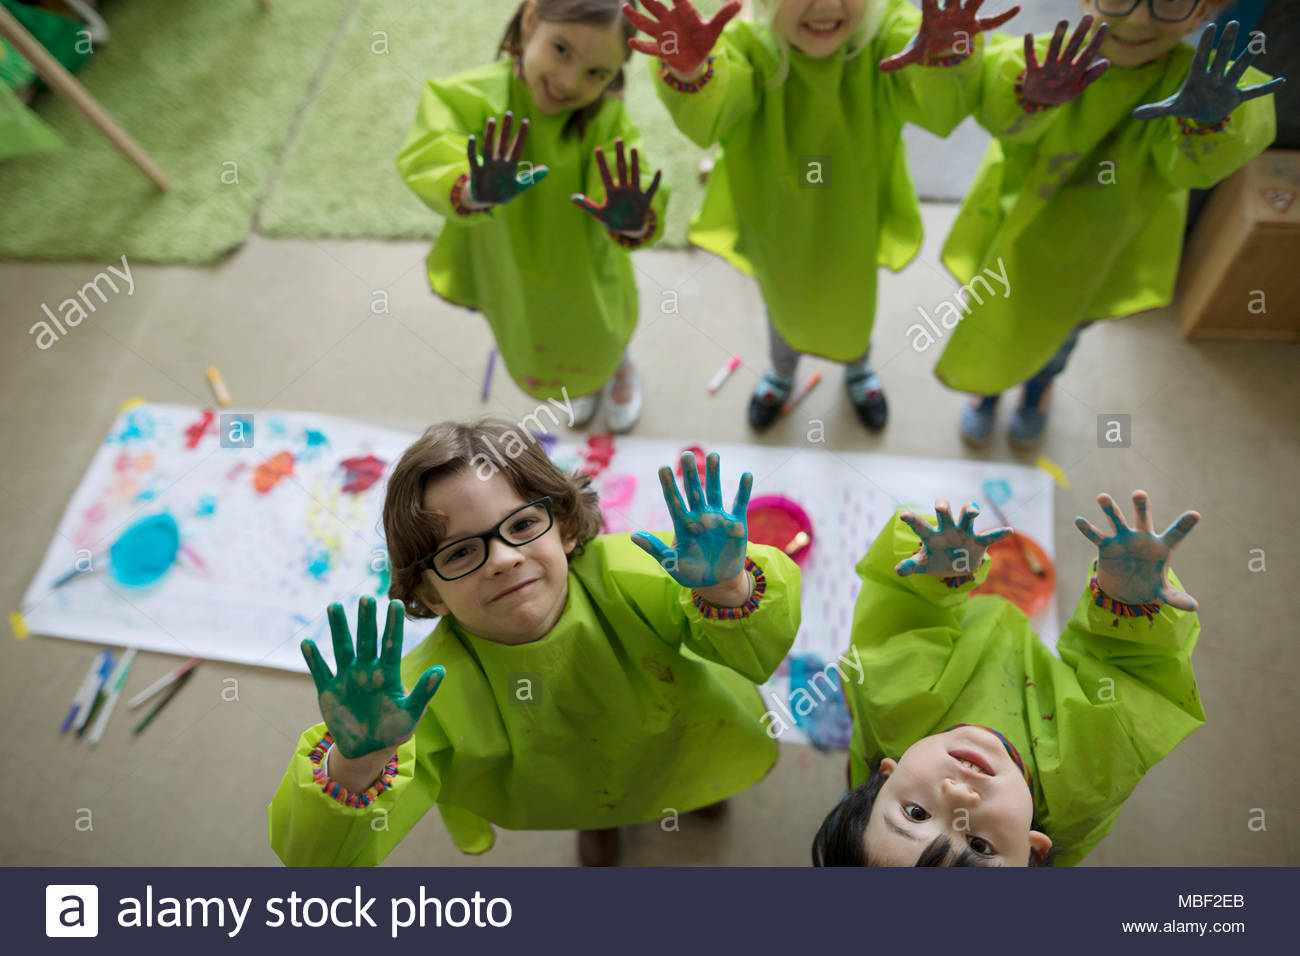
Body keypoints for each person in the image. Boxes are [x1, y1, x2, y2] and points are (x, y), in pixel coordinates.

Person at [268, 421, 800, 866]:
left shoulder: (633, 568)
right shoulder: (417, 695)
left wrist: (726, 589)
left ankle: (697, 793)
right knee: (598, 803)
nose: (503, 558)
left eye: (521, 524)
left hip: (683, 734)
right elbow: (319, 862)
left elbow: (754, 649)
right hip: (567, 786)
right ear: (429, 594)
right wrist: (357, 764)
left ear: (566, 528)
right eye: (458, 555)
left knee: (702, 774)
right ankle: (605, 821)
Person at [628, 0, 1019, 432]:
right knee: (783, 308)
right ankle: (781, 374)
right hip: (776, 222)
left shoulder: (884, 32)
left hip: (853, 218)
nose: (828, 5)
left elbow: (933, 97)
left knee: (851, 306)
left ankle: (857, 369)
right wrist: (690, 73)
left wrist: (941, 58)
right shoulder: (749, 46)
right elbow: (716, 99)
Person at [936, 1, 1282, 449]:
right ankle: (988, 387)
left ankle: (1038, 387)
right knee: (994, 313)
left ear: (1203, 15)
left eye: (1172, 3)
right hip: (1012, 224)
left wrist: (1208, 122)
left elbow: (1193, 168)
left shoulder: (1198, 85)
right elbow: (1002, 116)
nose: (1140, 19)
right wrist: (1028, 97)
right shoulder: (1040, 56)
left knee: (1060, 336)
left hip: (1103, 246)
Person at [813, 491, 1203, 866]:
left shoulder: (891, 700)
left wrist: (936, 574)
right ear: (1034, 852)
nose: (960, 796)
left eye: (916, 813)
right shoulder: (1092, 776)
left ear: (884, 777)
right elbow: (1138, 678)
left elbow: (900, 615)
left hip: (971, 631)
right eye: (979, 845)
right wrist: (1129, 603)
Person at [396, 0, 668, 432]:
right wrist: (470, 187)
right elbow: (428, 152)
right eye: (561, 50)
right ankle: (579, 385)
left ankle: (616, 368)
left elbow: (624, 171)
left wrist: (631, 214)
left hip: (582, 265)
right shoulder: (467, 97)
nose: (568, 81)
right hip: (510, 262)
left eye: (596, 73)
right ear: (530, 21)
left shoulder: (605, 117)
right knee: (537, 333)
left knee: (603, 331)